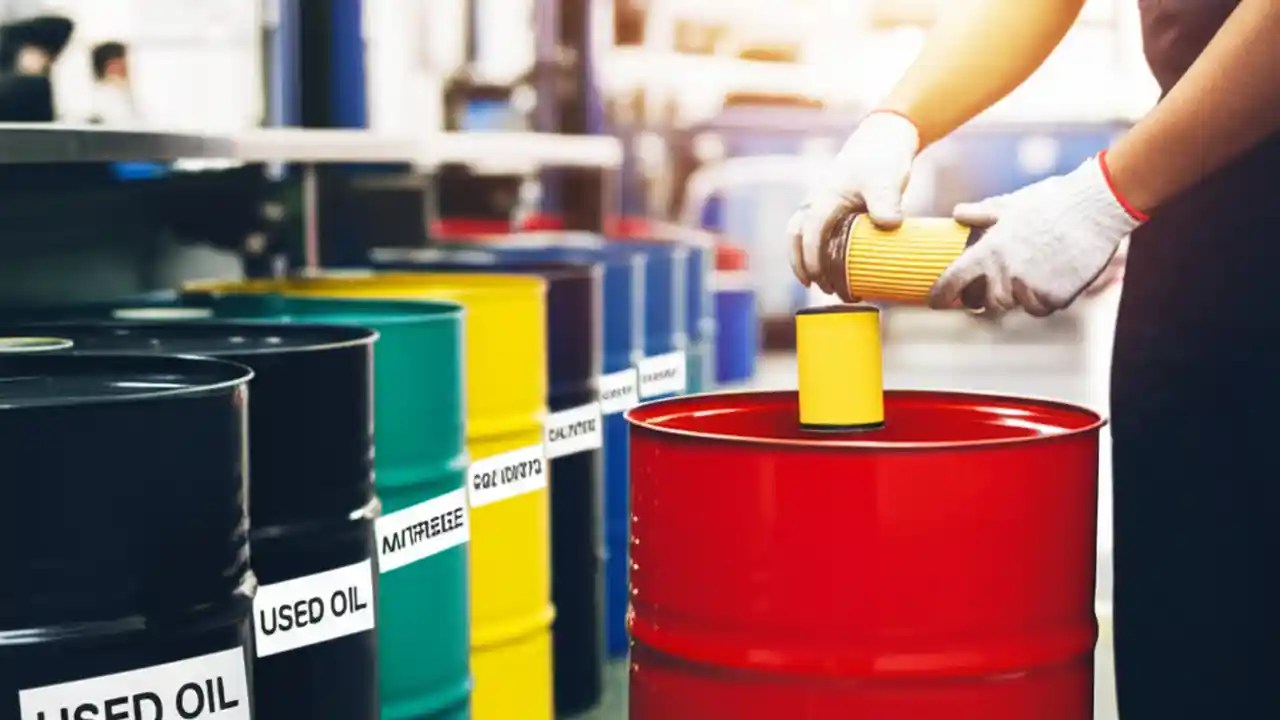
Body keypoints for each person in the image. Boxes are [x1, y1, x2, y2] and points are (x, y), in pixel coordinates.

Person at [787, 1, 1280, 717]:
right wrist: (896, 121)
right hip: (1199, 208)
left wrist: (1105, 195)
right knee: (1195, 645)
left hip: (1197, 168)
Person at [87, 40, 139, 125]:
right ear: (112, 65)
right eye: (124, 62)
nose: (127, 68)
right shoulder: (109, 97)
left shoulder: (122, 93)